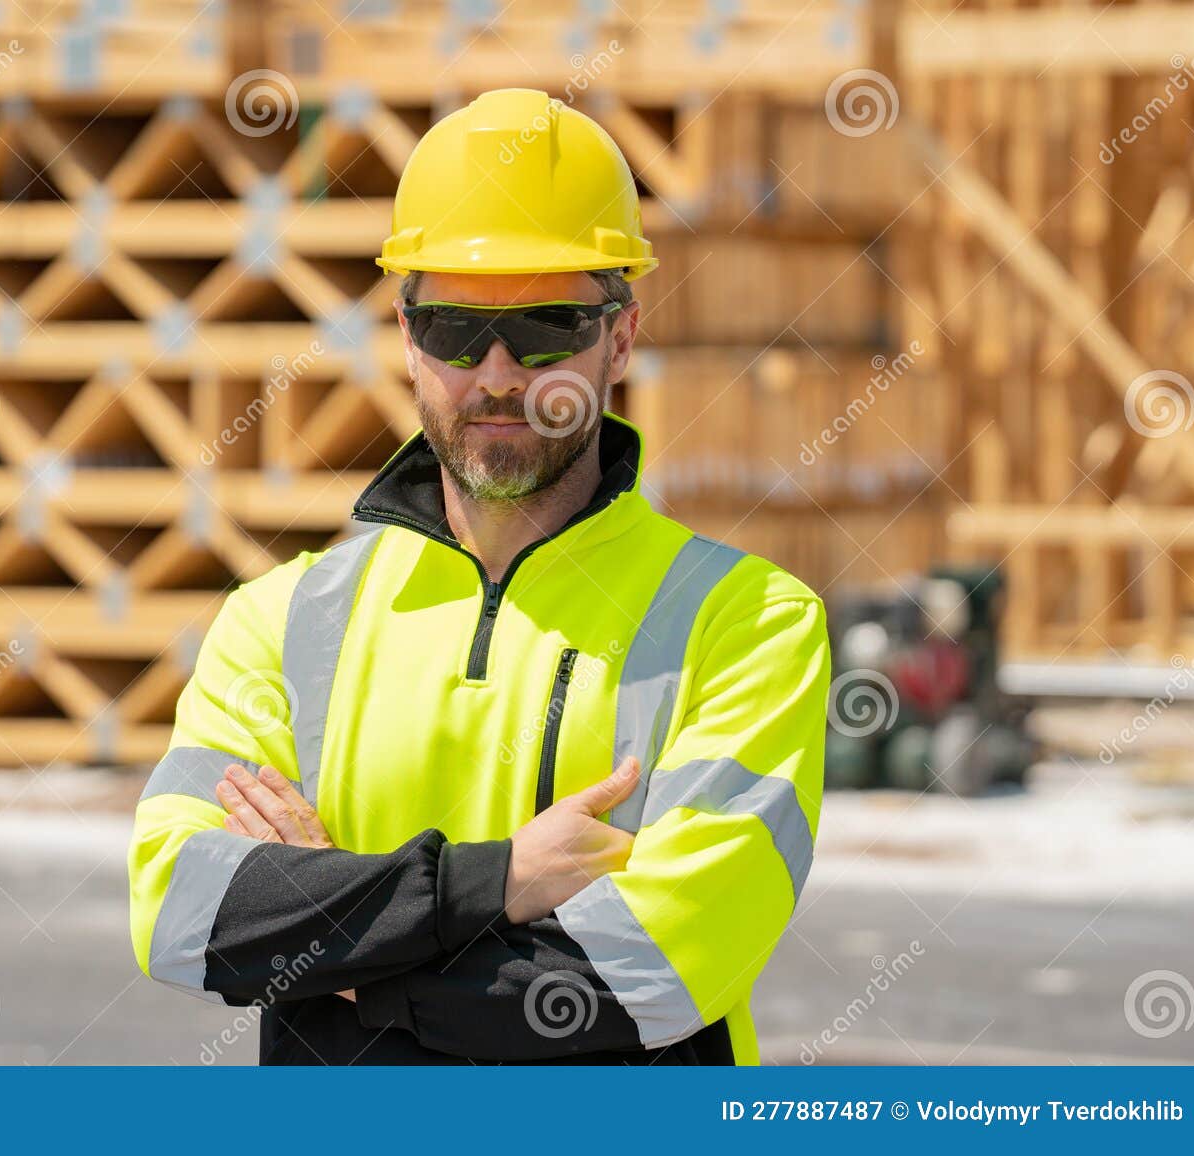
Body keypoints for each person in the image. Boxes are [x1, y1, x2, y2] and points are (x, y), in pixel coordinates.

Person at [128, 88, 829, 1065]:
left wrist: (337, 948)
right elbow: (184, 917)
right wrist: (493, 883)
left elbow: (649, 978)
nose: (498, 373)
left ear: (618, 338)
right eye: (456, 328)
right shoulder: (279, 622)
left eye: (545, 327)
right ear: (407, 336)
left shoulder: (746, 623)